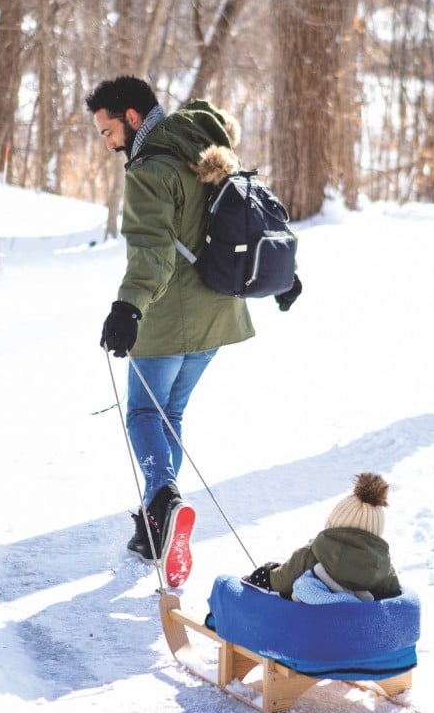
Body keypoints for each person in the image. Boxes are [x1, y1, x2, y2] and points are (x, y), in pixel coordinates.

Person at [86, 76, 302, 586]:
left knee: (142, 411)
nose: (108, 142)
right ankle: (154, 525)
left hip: (168, 316)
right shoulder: (205, 149)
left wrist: (128, 307)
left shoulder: (149, 170)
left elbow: (151, 251)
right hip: (219, 315)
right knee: (171, 413)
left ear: (133, 118)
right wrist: (283, 276)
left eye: (107, 131)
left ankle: (162, 500)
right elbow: (246, 222)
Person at [243, 472, 401, 601]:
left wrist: (265, 573)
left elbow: (279, 582)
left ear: (333, 525)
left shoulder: (310, 555)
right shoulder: (383, 570)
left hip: (311, 634)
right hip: (358, 636)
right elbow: (395, 595)